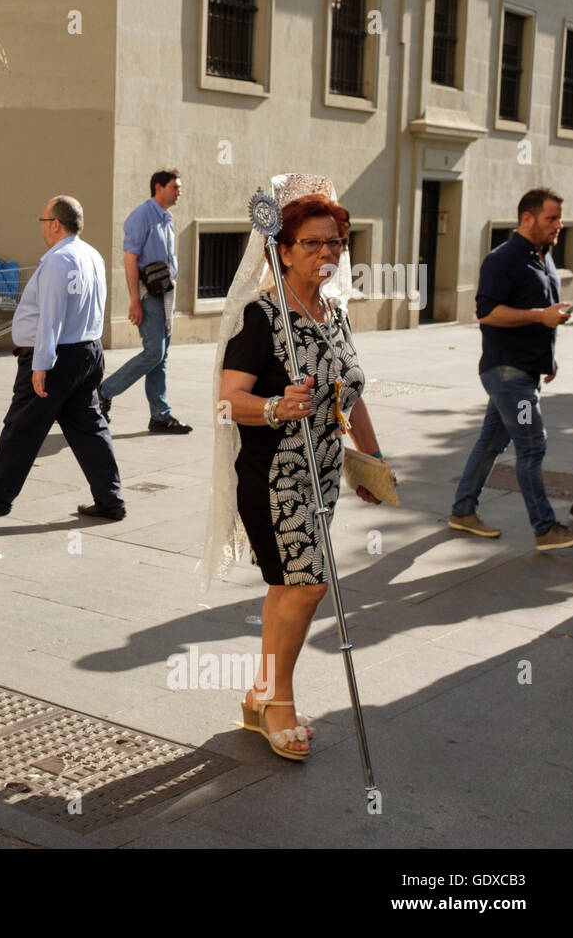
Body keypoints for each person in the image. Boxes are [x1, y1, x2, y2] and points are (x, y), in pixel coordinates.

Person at [201, 175, 384, 762]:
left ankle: (263, 694)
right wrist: (278, 405)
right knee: (308, 585)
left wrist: (372, 462)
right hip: (274, 474)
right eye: (313, 243)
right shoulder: (261, 317)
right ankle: (277, 700)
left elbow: (350, 393)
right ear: (281, 250)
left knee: (290, 586)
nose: (327, 253)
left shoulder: (333, 310)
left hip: (324, 472)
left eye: (335, 242)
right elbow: (228, 403)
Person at [0, 196, 122, 515]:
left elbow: (51, 317)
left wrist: (41, 365)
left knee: (21, 427)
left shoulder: (58, 260)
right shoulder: (92, 255)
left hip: (57, 356)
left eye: (43, 221)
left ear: (56, 224)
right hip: (88, 350)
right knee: (89, 428)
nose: (42, 228)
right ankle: (110, 499)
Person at [449, 187, 573, 549]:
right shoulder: (502, 259)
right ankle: (545, 528)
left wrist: (547, 354)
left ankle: (462, 510)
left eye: (559, 217)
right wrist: (542, 316)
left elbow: (541, 312)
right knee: (532, 444)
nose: (559, 225)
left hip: (526, 370)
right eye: (552, 218)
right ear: (527, 218)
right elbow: (487, 313)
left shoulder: (544, 257)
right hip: (507, 375)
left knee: (491, 442)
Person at [98, 168, 192, 434]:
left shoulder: (166, 217)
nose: (179, 191)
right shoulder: (142, 216)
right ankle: (105, 390)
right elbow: (130, 259)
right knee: (154, 352)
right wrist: (134, 301)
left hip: (165, 296)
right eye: (175, 187)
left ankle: (160, 416)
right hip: (148, 296)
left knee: (160, 358)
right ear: (159, 187)